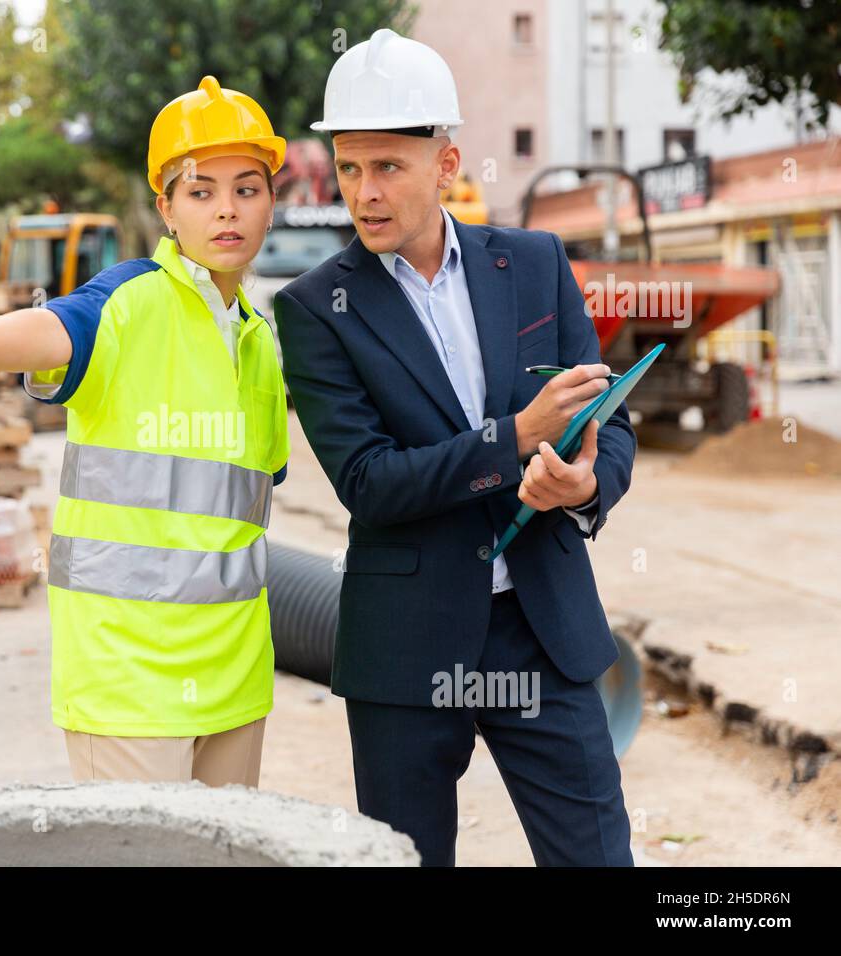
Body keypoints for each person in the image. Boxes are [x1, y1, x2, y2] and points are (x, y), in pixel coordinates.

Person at [0, 76, 290, 788]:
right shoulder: (127, 302)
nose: (227, 209)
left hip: (236, 679)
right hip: (127, 681)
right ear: (167, 210)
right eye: (201, 191)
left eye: (247, 188)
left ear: (272, 201)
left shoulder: (260, 342)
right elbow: (52, 329)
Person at [272, 29, 635, 865]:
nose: (363, 192)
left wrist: (581, 484)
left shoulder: (537, 263)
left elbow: (607, 419)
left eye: (388, 167)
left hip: (541, 627)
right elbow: (368, 482)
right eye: (350, 167)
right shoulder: (315, 307)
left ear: (446, 165)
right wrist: (515, 440)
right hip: (406, 644)